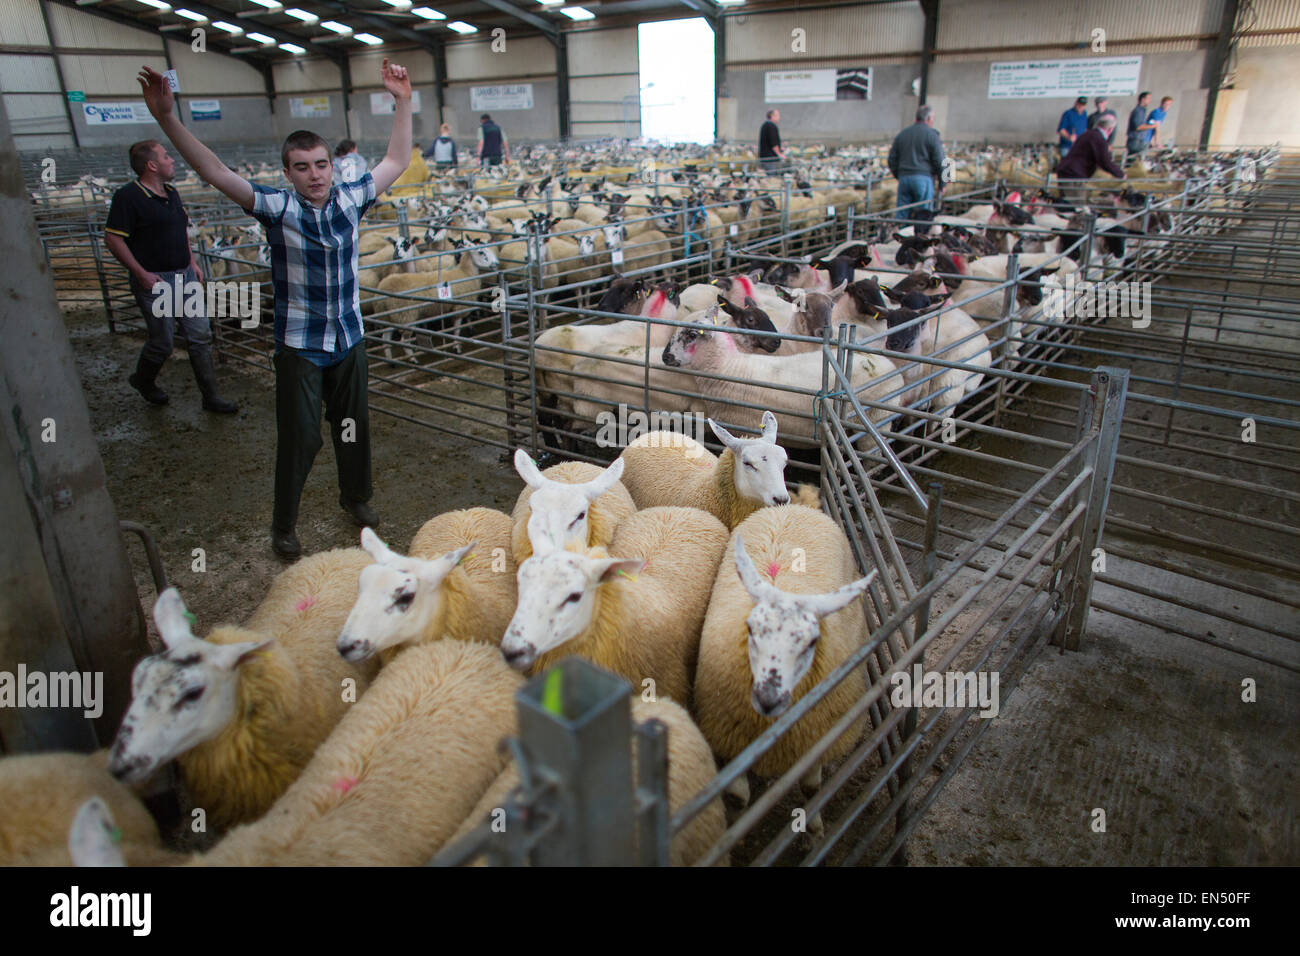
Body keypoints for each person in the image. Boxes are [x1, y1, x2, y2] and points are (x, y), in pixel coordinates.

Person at [136, 58, 413, 560]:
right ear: (287, 172)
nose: (314, 175)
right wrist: (167, 119)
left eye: (322, 164)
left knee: (355, 426)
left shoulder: (353, 199)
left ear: (333, 166)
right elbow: (214, 170)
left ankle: (357, 498)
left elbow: (396, 161)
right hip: (300, 345)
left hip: (348, 338)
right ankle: (284, 524)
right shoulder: (275, 208)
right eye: (303, 167)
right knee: (301, 437)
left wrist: (402, 100)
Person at [104, 140, 238, 414]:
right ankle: (143, 380)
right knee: (163, 343)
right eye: (166, 157)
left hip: (185, 276)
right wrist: (140, 273)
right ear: (151, 165)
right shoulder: (128, 197)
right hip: (157, 281)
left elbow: (180, 229)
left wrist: (191, 261)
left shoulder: (171, 193)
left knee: (200, 335)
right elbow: (113, 239)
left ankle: (211, 397)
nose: (172, 161)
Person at [1054, 115, 1126, 207]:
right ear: (1111, 129)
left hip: (1066, 171)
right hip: (1074, 175)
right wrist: (1121, 174)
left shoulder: (1088, 134)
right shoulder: (1099, 139)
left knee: (1065, 205)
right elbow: (1105, 162)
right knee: (1077, 207)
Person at [888, 104, 946, 218]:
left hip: (904, 179)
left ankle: (900, 233)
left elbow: (892, 159)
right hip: (923, 179)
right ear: (928, 119)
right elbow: (940, 160)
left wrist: (899, 175)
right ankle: (920, 235)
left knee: (902, 213)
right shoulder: (932, 135)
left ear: (916, 118)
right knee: (923, 215)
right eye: (932, 119)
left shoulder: (902, 134)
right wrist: (942, 183)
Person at [1126, 91, 1157, 164]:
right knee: (1135, 164)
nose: (1150, 101)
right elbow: (1138, 127)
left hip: (1138, 140)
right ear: (1143, 99)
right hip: (1136, 141)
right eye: (1148, 99)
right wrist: (1153, 126)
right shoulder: (1138, 111)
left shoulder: (1142, 110)